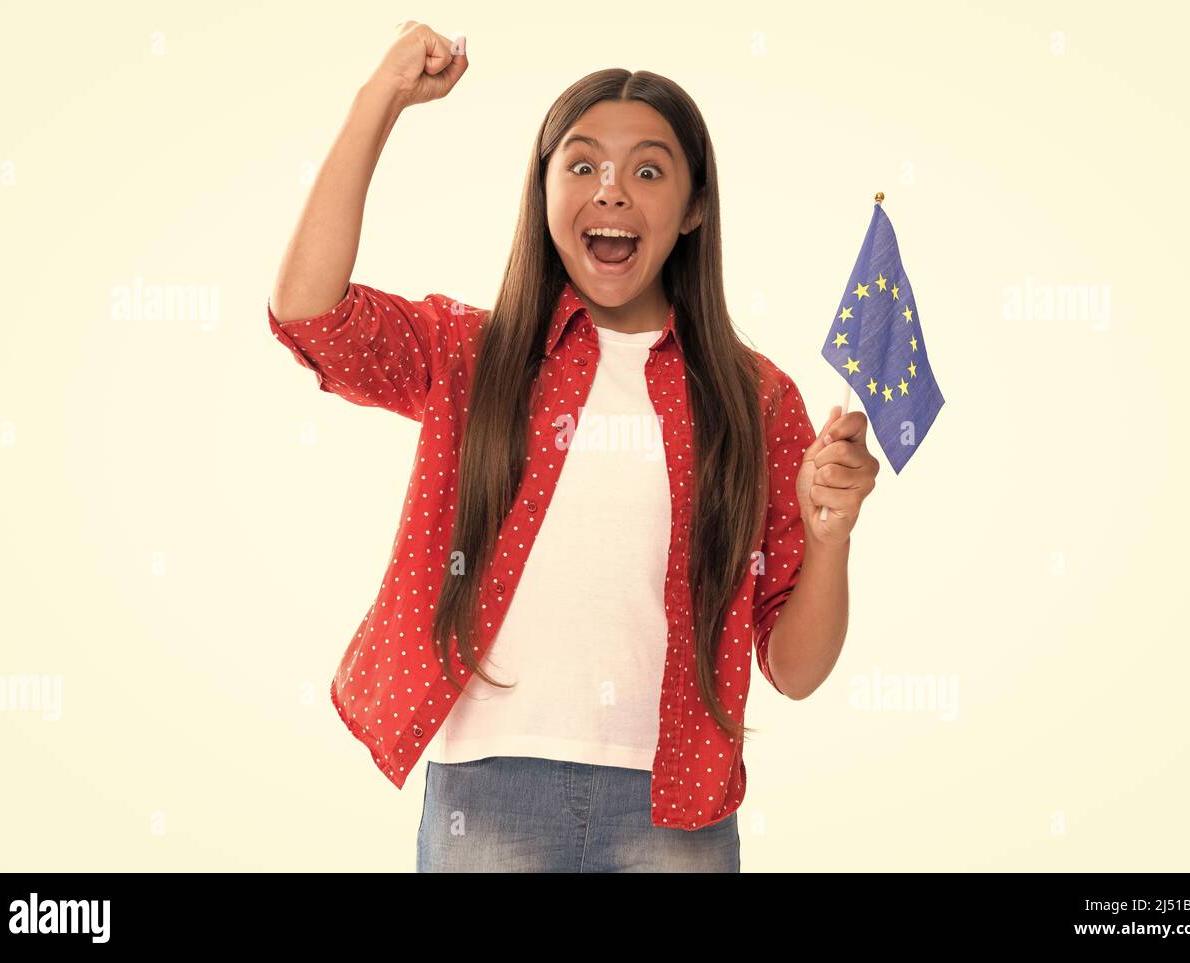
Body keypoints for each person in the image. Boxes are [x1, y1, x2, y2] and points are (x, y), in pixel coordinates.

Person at [267, 21, 880, 872]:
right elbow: (308, 312)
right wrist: (382, 100)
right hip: (486, 791)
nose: (613, 191)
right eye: (583, 164)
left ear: (695, 207)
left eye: (650, 170)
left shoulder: (758, 398)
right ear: (544, 189)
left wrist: (829, 535)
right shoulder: (471, 356)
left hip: (677, 804)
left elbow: (796, 666)